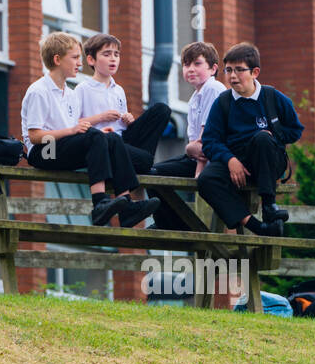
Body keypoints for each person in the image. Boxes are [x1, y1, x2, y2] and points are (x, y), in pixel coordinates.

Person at [21, 31, 159, 227]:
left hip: (62, 146)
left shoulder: (69, 93)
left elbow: (77, 131)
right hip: (45, 151)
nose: (80, 63)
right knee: (96, 137)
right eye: (75, 57)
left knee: (112, 139)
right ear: (58, 59)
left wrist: (97, 135)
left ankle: (127, 207)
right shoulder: (39, 91)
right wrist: (75, 131)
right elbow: (34, 136)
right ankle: (99, 203)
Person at [196, 41, 303, 237]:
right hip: (236, 162)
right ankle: (257, 226)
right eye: (228, 70)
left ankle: (269, 206)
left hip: (268, 161)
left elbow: (295, 130)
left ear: (255, 72)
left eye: (239, 70)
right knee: (206, 180)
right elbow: (210, 141)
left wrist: (275, 135)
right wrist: (230, 160)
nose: (233, 76)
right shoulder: (223, 102)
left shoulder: (274, 97)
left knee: (262, 138)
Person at [150, 41, 227, 229]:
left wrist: (199, 170)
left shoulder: (213, 88)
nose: (190, 69)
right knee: (150, 172)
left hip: (213, 160)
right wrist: (190, 149)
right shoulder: (195, 97)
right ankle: (167, 221)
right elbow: (195, 145)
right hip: (196, 158)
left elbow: (205, 139)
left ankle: (176, 223)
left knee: (154, 174)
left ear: (213, 68)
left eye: (197, 64)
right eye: (186, 64)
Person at [72, 33, 172, 174]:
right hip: (104, 143)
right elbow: (72, 124)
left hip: (124, 139)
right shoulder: (82, 89)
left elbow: (122, 126)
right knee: (145, 160)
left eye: (116, 54)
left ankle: (143, 161)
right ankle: (143, 162)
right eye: (106, 54)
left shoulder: (118, 90)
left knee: (162, 110)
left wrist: (128, 120)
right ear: (91, 60)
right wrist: (101, 117)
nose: (113, 59)